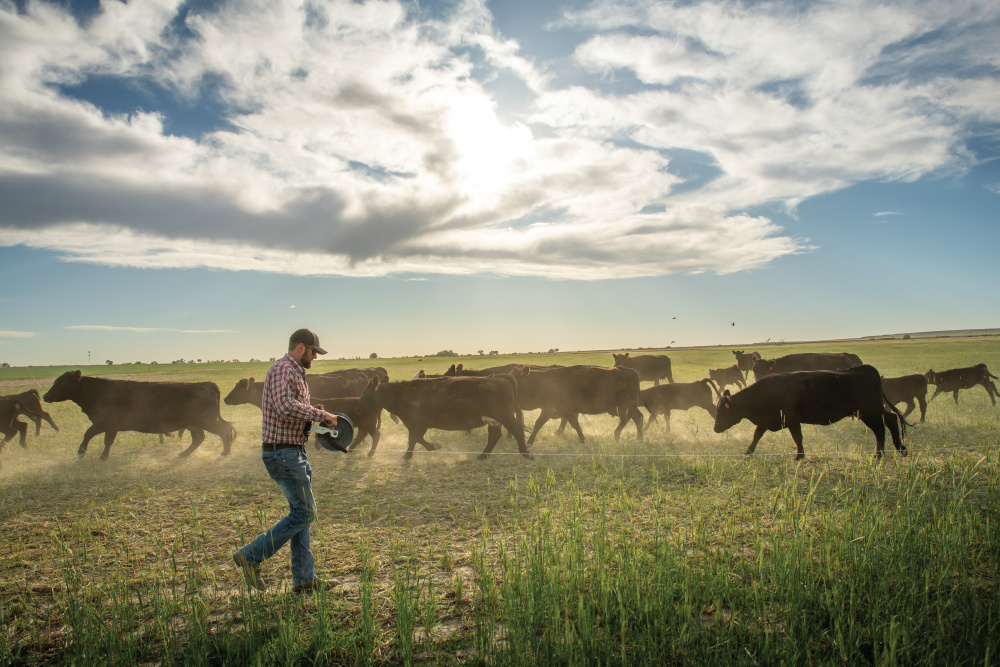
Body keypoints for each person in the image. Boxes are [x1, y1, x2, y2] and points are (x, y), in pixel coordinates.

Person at [233, 328, 338, 593]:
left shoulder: (297, 374)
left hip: (293, 451)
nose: (315, 357)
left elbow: (293, 412)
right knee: (305, 513)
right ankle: (250, 556)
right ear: (301, 348)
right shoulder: (282, 369)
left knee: (300, 515)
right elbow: (283, 406)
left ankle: (304, 580)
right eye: (314, 352)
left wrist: (318, 419)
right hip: (283, 453)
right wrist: (318, 415)